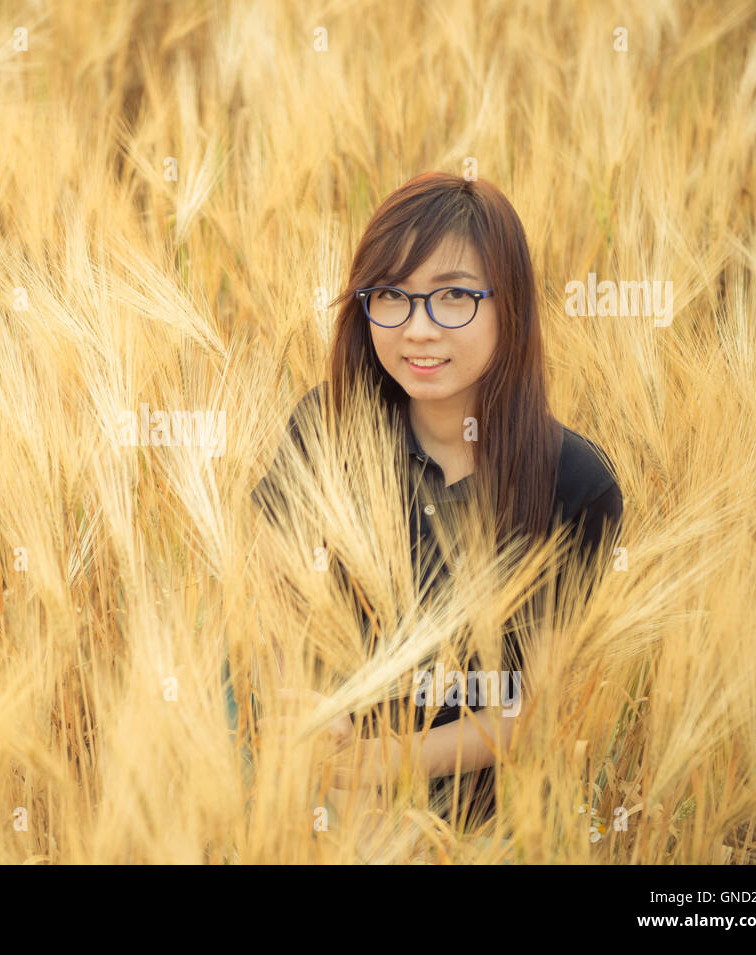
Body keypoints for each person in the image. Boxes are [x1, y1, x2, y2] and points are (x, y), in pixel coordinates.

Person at [236, 172, 625, 838]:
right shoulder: (329, 429)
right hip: (320, 806)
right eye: (390, 297)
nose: (417, 329)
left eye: (453, 297)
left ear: (513, 307)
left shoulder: (576, 484)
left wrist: (378, 763)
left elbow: (532, 705)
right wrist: (299, 704)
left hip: (493, 826)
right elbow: (263, 594)